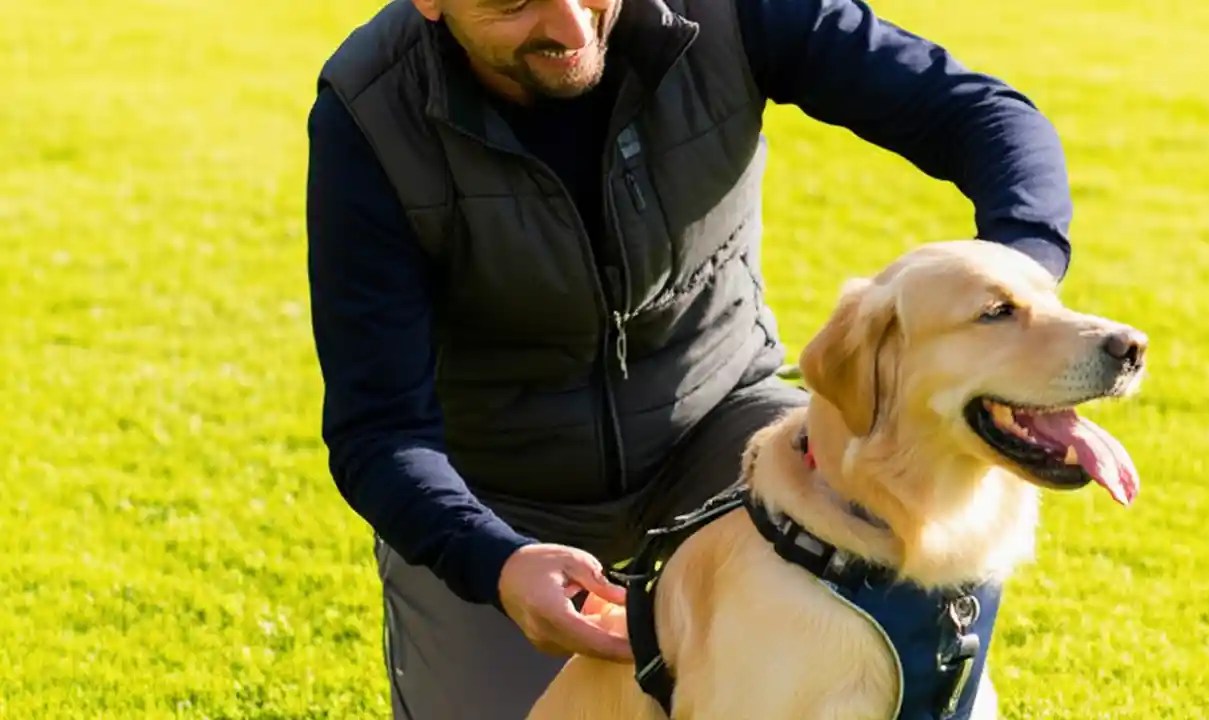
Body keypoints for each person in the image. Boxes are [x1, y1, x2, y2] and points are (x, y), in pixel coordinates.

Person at [304, 0, 1073, 714]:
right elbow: (380, 430)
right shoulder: (369, 114)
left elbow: (983, 115)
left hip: (726, 436)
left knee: (878, 574)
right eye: (514, 3)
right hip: (499, 494)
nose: (570, 27)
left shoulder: (731, 10)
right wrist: (492, 560)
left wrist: (1011, 286)